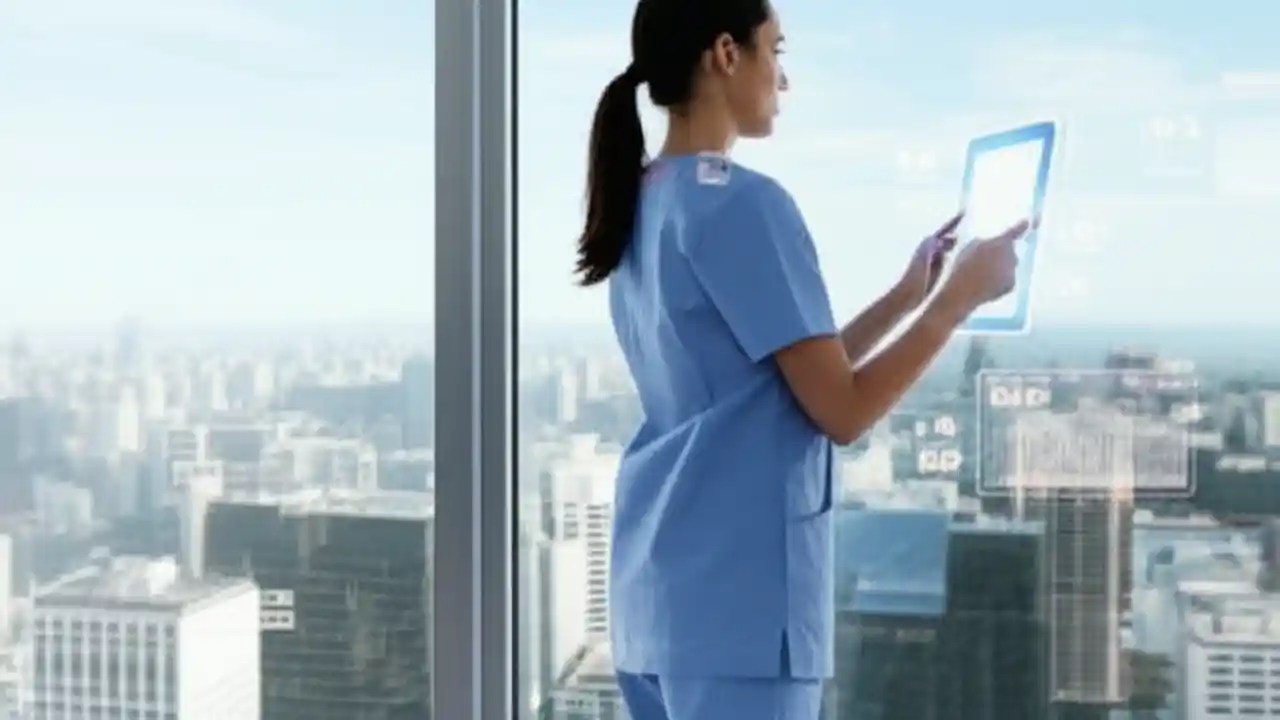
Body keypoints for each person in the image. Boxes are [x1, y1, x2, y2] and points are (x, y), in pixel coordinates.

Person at [574, 1, 1031, 718]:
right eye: (775, 51)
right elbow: (842, 411)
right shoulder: (746, 205)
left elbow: (775, 381)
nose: (782, 81)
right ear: (726, 54)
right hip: (744, 619)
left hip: (661, 601)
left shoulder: (644, 201)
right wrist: (957, 304)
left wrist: (909, 297)